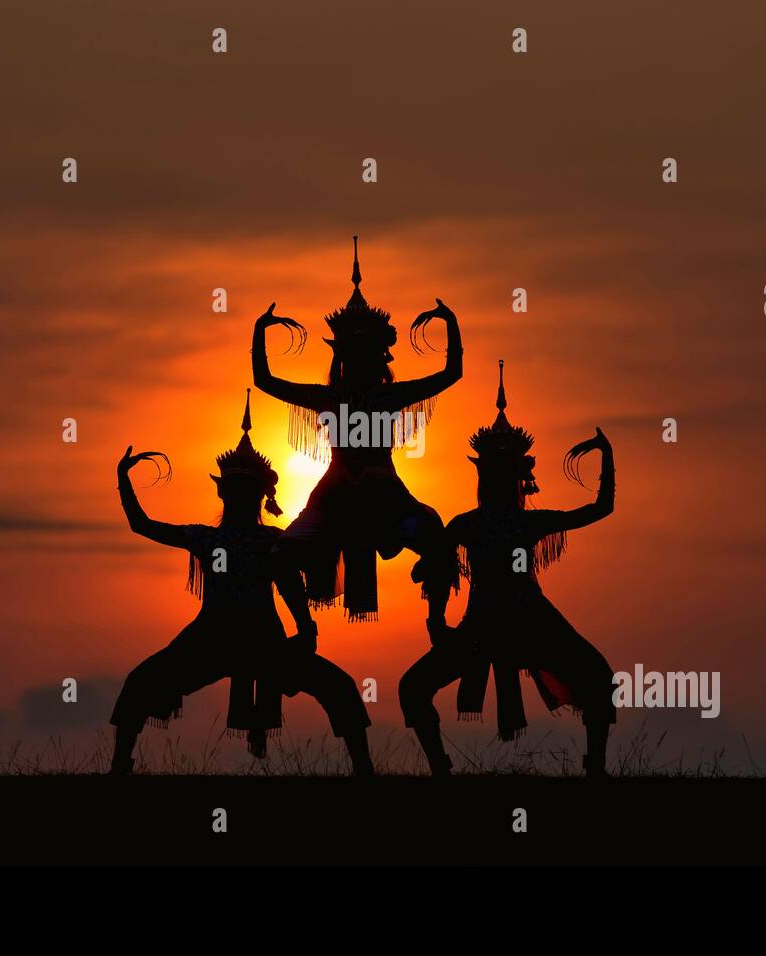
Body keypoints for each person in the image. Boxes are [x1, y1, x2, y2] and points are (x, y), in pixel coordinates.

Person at [108, 391, 374, 776]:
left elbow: (288, 587)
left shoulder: (263, 542)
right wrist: (124, 483)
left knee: (341, 688)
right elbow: (143, 526)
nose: (238, 500)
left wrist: (306, 626)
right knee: (140, 683)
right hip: (227, 639)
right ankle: (119, 767)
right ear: (225, 493)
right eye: (236, 493)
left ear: (254, 495)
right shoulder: (247, 540)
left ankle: (364, 769)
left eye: (243, 493)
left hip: (243, 640)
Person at [398, 361, 617, 777]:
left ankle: (595, 771)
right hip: (502, 623)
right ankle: (443, 771)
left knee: (599, 678)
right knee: (598, 677)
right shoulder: (479, 524)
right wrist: (436, 620)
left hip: (510, 621)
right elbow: (440, 570)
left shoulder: (476, 524)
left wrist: (436, 621)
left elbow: (600, 509)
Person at [251, 236, 462, 623]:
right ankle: (304, 627)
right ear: (342, 356)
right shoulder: (330, 398)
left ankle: (436, 620)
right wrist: (259, 331)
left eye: (366, 353)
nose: (358, 361)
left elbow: (453, 374)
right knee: (280, 556)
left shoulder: (386, 396)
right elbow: (264, 381)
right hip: (334, 498)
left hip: (387, 496)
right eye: (352, 353)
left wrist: (451, 324)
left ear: (378, 356)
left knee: (439, 539)